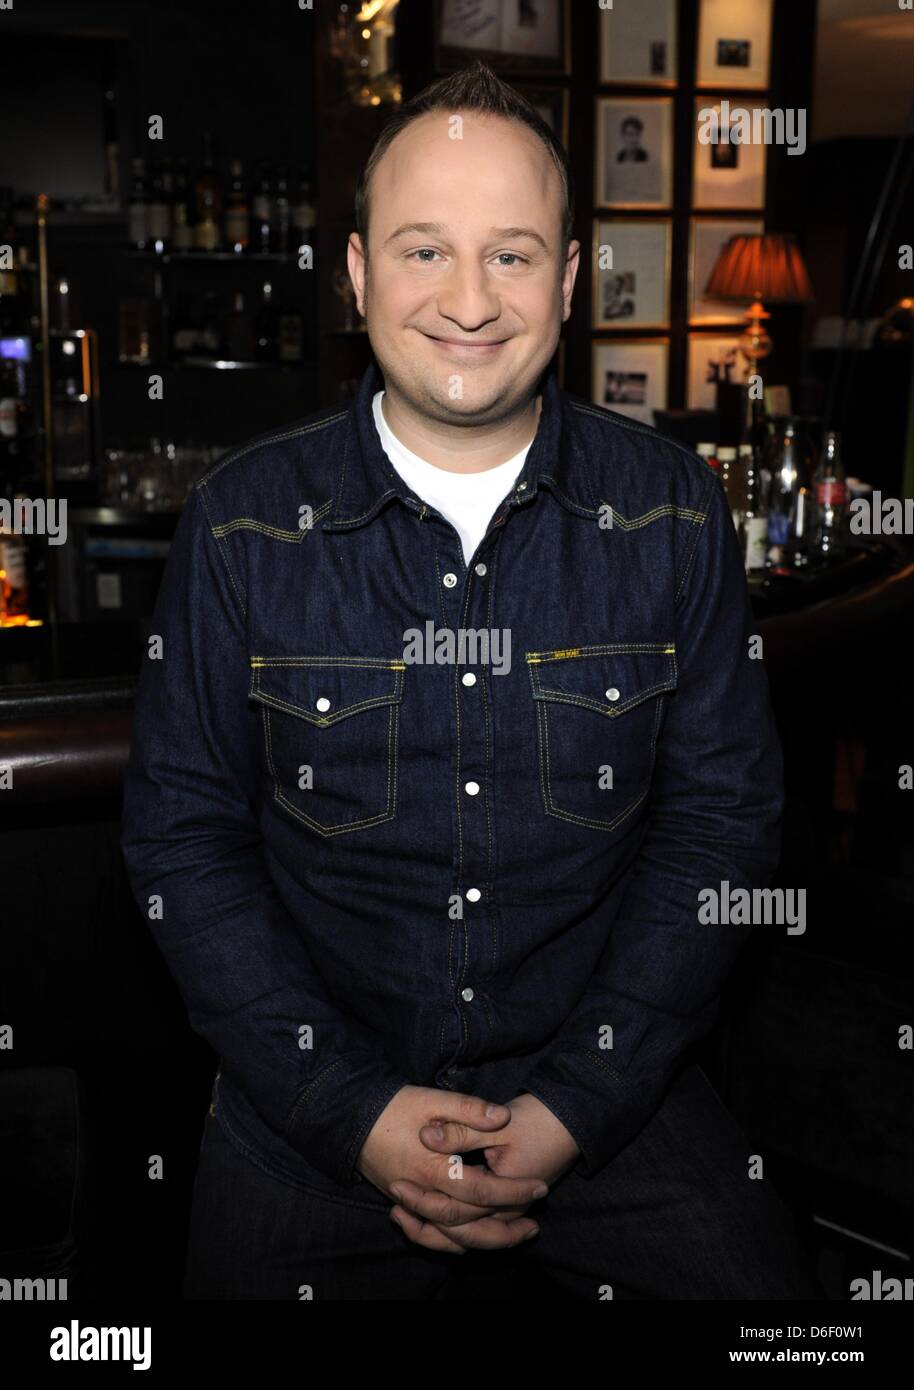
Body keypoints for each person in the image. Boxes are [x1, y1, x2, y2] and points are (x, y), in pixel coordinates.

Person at [120, 60, 824, 1301]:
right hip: (311, 1105)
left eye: (509, 255)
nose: (466, 299)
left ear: (563, 281)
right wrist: (352, 1108)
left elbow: (720, 829)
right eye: (421, 250)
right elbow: (182, 843)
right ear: (353, 276)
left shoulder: (669, 513)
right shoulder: (239, 525)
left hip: (605, 1091)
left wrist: (573, 1103)